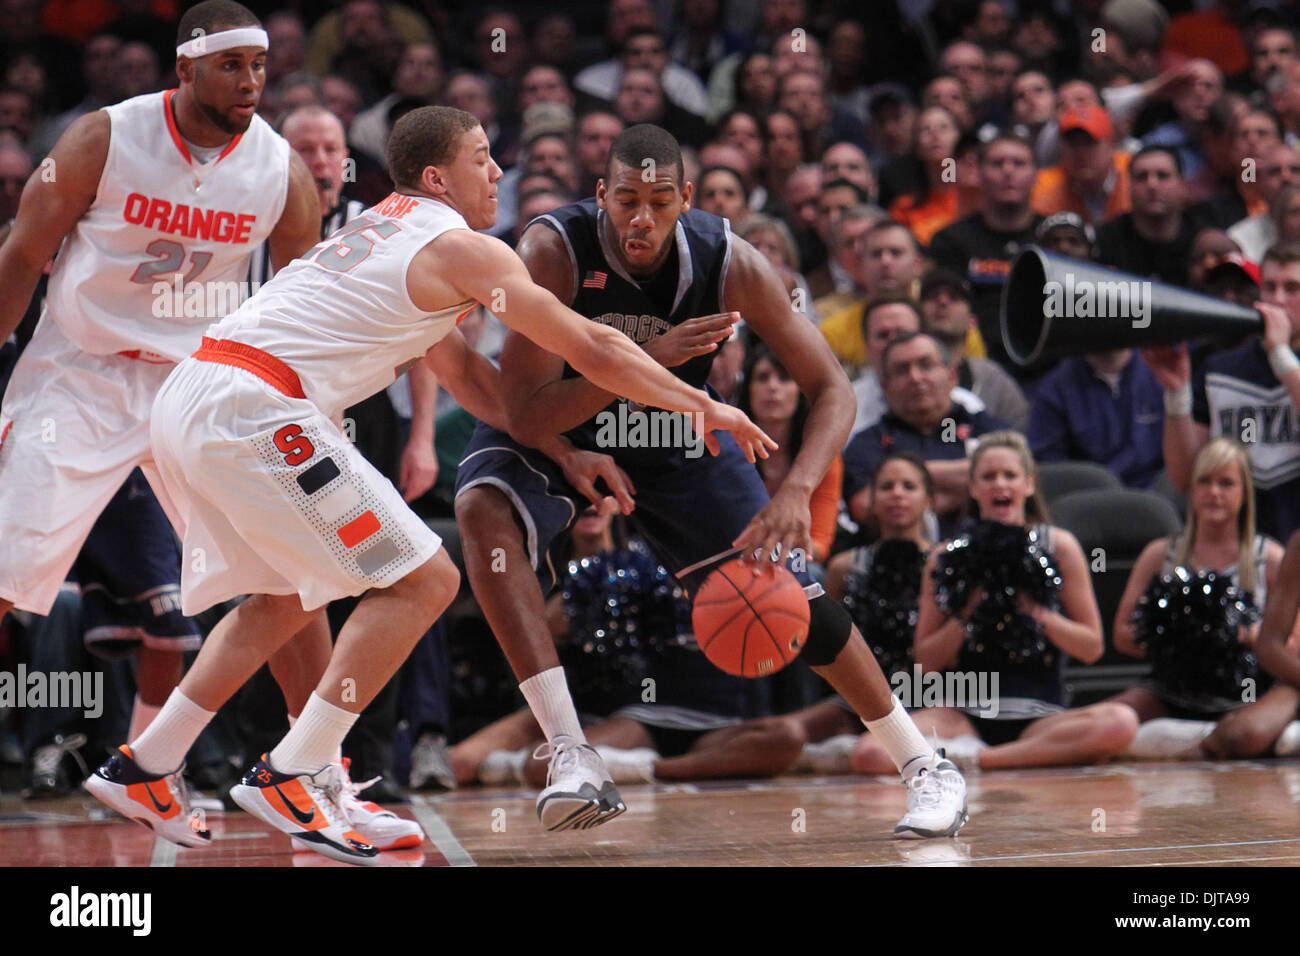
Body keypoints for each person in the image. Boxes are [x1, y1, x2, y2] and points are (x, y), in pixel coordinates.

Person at [83, 106, 772, 864]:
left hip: (196, 400)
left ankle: (146, 764)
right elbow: (594, 342)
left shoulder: (383, 231)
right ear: (439, 176)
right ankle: (295, 769)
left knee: (282, 596)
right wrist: (703, 403)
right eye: (483, 156)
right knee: (423, 583)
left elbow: (481, 387)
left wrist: (561, 452)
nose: (499, 173)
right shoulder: (459, 248)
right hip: (256, 406)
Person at [454, 123, 970, 840]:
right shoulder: (550, 251)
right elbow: (523, 407)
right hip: (562, 428)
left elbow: (834, 391)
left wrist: (794, 491)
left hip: (675, 434)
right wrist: (639, 359)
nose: (641, 217)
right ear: (600, 194)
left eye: (660, 201)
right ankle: (571, 753)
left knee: (795, 600)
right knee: (482, 507)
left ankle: (924, 765)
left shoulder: (732, 261)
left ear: (686, 198)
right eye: (626, 199)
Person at [0, 0, 349, 827]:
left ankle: (318, 771)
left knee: (290, 570)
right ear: (184, 69)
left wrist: (302, 409)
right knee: (6, 573)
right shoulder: (104, 137)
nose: (250, 82)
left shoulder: (279, 171)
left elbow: (298, 307)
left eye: (260, 66)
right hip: (80, 374)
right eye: (231, 65)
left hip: (199, 382)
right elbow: (22, 253)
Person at [450, 506, 802, 787]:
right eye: (576, 493)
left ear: (620, 500)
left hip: (657, 709)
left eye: (600, 492)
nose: (591, 502)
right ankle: (577, 761)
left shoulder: (650, 561)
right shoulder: (538, 572)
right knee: (465, 764)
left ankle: (651, 770)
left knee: (785, 737)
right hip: (576, 705)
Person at [851, 431, 1138, 772]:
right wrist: (967, 614)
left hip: (1039, 717)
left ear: (1028, 484)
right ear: (973, 488)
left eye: (1010, 476)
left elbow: (1091, 647)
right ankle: (1012, 758)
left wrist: (1036, 611)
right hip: (963, 716)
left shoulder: (1058, 545)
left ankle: (981, 760)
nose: (999, 485)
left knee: (1121, 722)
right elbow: (924, 664)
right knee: (869, 753)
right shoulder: (945, 555)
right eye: (988, 476)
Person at [1110, 438, 1299, 759]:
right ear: (1191, 489)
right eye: (1205, 482)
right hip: (1172, 688)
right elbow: (1121, 636)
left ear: (1244, 492)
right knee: (1103, 721)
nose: (1214, 492)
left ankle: (1199, 743)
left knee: (1242, 735)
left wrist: (1251, 636)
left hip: (1248, 691)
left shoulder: (1270, 558)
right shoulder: (1160, 554)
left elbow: (1292, 645)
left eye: (1226, 483)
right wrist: (1172, 636)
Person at [1150, 242, 1300, 542]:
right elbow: (1185, 476)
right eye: (1269, 287)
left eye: (1292, 288)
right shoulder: (1220, 369)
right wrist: (1177, 392)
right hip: (1234, 548)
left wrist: (1281, 355)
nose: (1278, 300)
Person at [843, 331, 1007, 538]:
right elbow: (865, 507)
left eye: (926, 365)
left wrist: (909, 481)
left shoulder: (987, 428)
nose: (915, 377)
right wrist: (975, 487)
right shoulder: (868, 442)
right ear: (885, 387)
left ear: (952, 375)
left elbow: (1018, 479)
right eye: (902, 370)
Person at [738, 344, 840, 566]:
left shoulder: (822, 454)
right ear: (748, 389)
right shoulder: (727, 446)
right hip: (735, 559)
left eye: (784, 379)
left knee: (811, 574)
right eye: (762, 378)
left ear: (800, 392)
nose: (772, 387)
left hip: (796, 562)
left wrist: (773, 555)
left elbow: (820, 544)